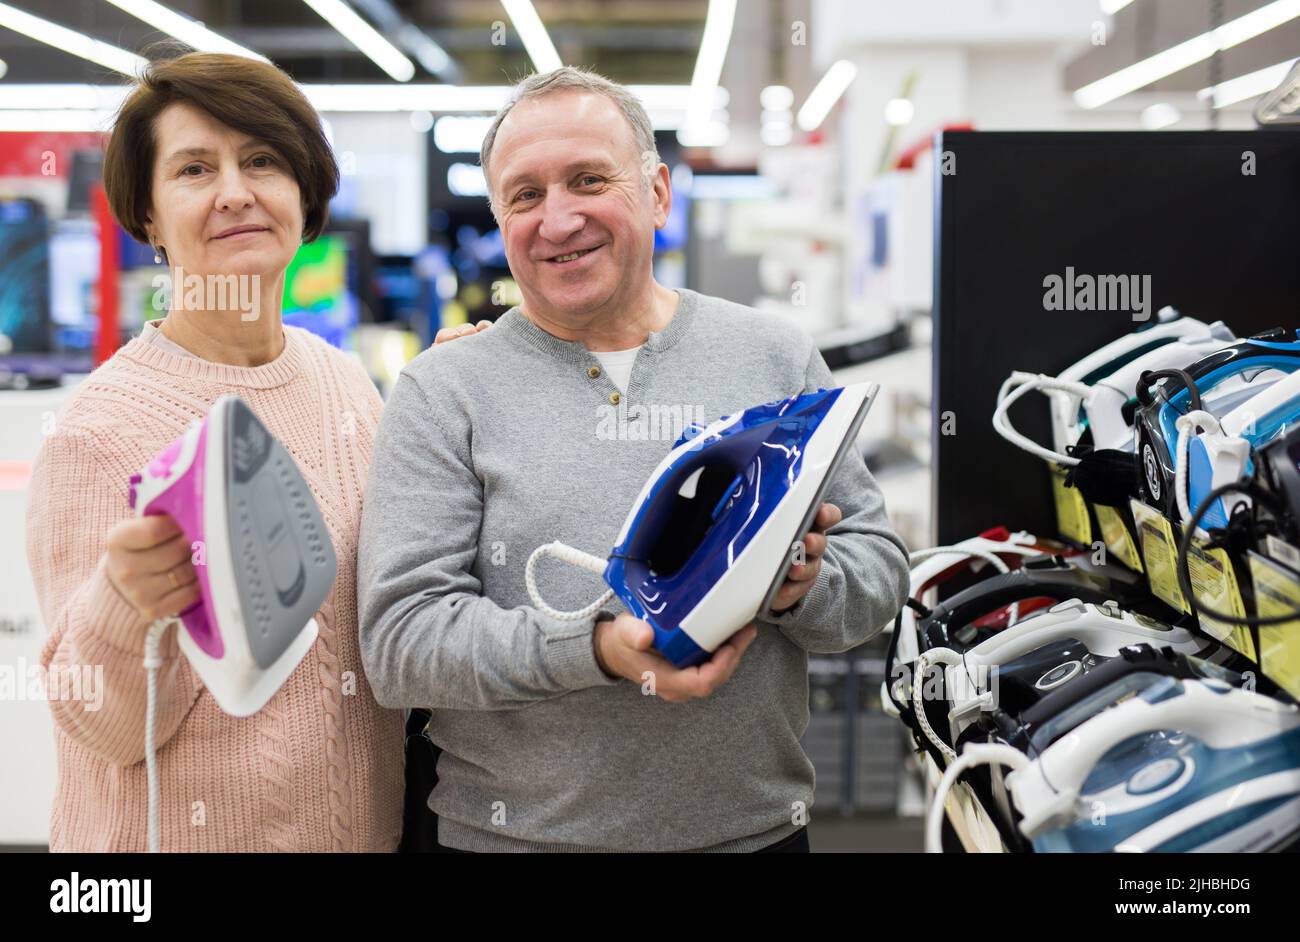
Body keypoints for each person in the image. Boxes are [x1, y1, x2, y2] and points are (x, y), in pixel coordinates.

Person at [359, 66, 910, 853]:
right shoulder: (446, 389)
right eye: (524, 195)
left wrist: (798, 585)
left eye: (588, 179)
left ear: (657, 193)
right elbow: (402, 646)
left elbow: (880, 574)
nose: (557, 220)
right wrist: (597, 652)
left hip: (751, 838)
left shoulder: (773, 357)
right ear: (498, 220)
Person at [25, 52, 403, 851]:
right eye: (195, 168)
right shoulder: (99, 431)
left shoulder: (345, 387)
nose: (236, 191)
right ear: (150, 219)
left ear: (302, 193)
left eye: (262, 160)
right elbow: (96, 721)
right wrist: (123, 607)